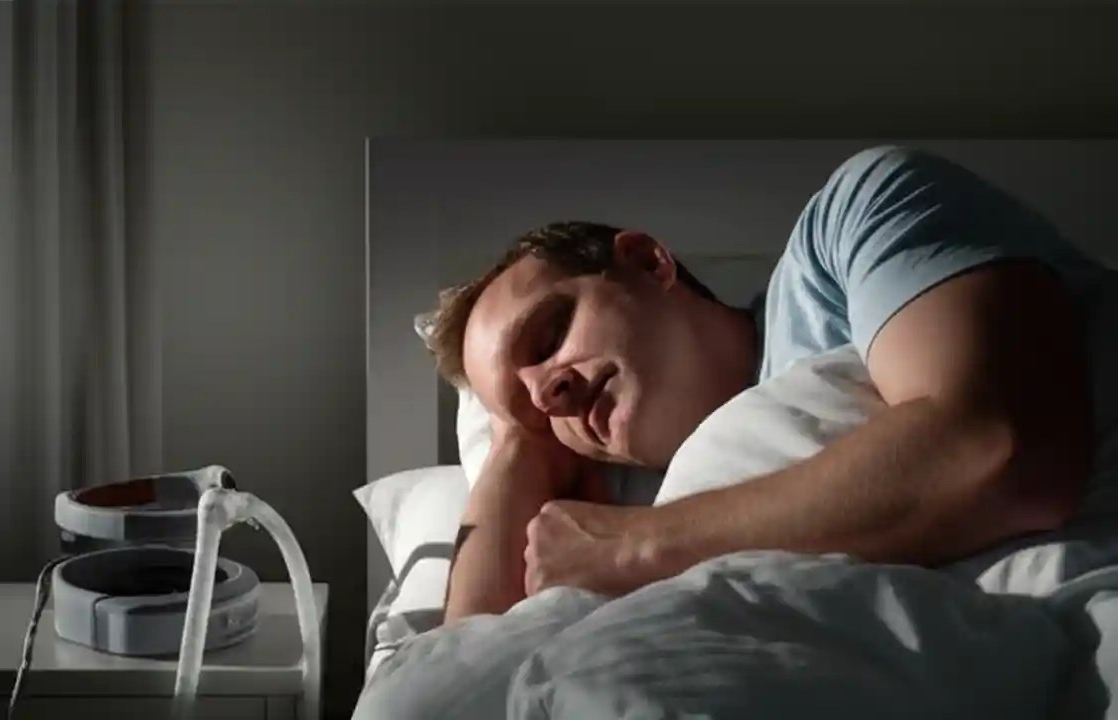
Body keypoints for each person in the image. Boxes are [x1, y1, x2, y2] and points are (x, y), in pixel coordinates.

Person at [422, 145, 1118, 623]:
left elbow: (1003, 450)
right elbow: (466, 672)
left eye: (548, 338)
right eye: (530, 405)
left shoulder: (852, 226)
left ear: (646, 263)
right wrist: (517, 439)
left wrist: (633, 547)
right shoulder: (620, 496)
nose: (548, 393)